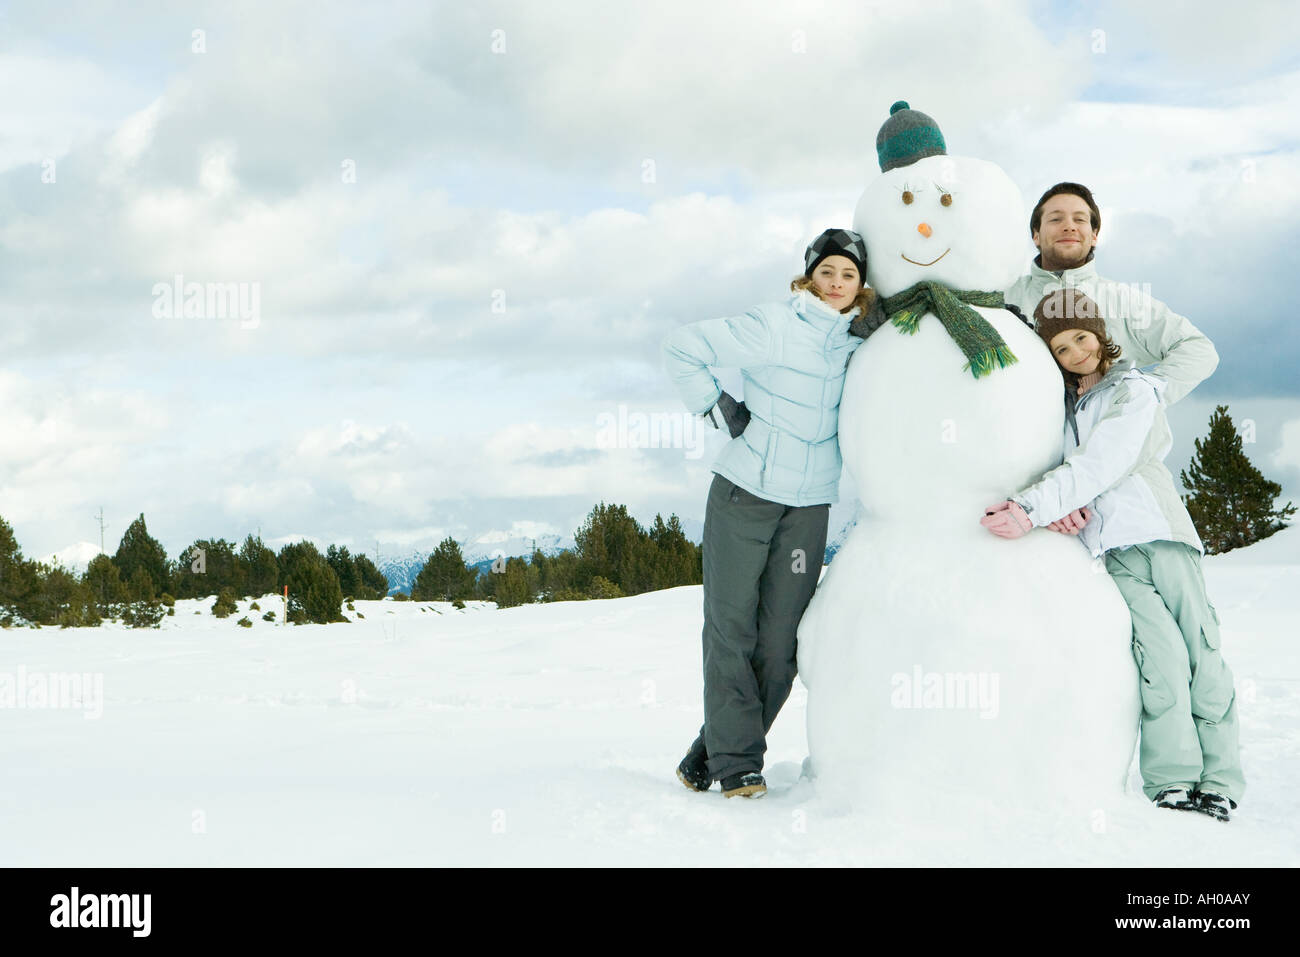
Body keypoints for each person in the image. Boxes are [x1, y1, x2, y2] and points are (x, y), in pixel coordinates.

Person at [980, 289, 1244, 821]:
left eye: (1081, 338)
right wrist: (1062, 512)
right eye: (1060, 347)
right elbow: (1063, 468)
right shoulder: (1062, 411)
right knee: (1159, 663)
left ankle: (1219, 779)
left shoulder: (1136, 390)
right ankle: (1171, 778)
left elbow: (1105, 461)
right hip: (1114, 550)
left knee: (1201, 656)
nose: (1075, 351)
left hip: (1162, 534)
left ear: (1100, 337)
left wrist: (1030, 508)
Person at [660, 228, 885, 798]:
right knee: (730, 630)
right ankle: (738, 765)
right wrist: (716, 406)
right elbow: (683, 345)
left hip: (809, 509)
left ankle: (707, 754)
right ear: (809, 275)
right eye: (827, 272)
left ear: (861, 287)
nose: (835, 284)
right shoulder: (774, 325)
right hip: (745, 496)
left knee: (781, 642)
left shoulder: (859, 343)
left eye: (848, 275)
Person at [1005, 182, 1218, 406]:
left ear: (1094, 235)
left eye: (1079, 219)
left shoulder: (1122, 301)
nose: (1069, 227)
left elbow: (1197, 349)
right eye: (1056, 219)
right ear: (1036, 235)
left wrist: (1142, 393)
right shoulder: (1002, 299)